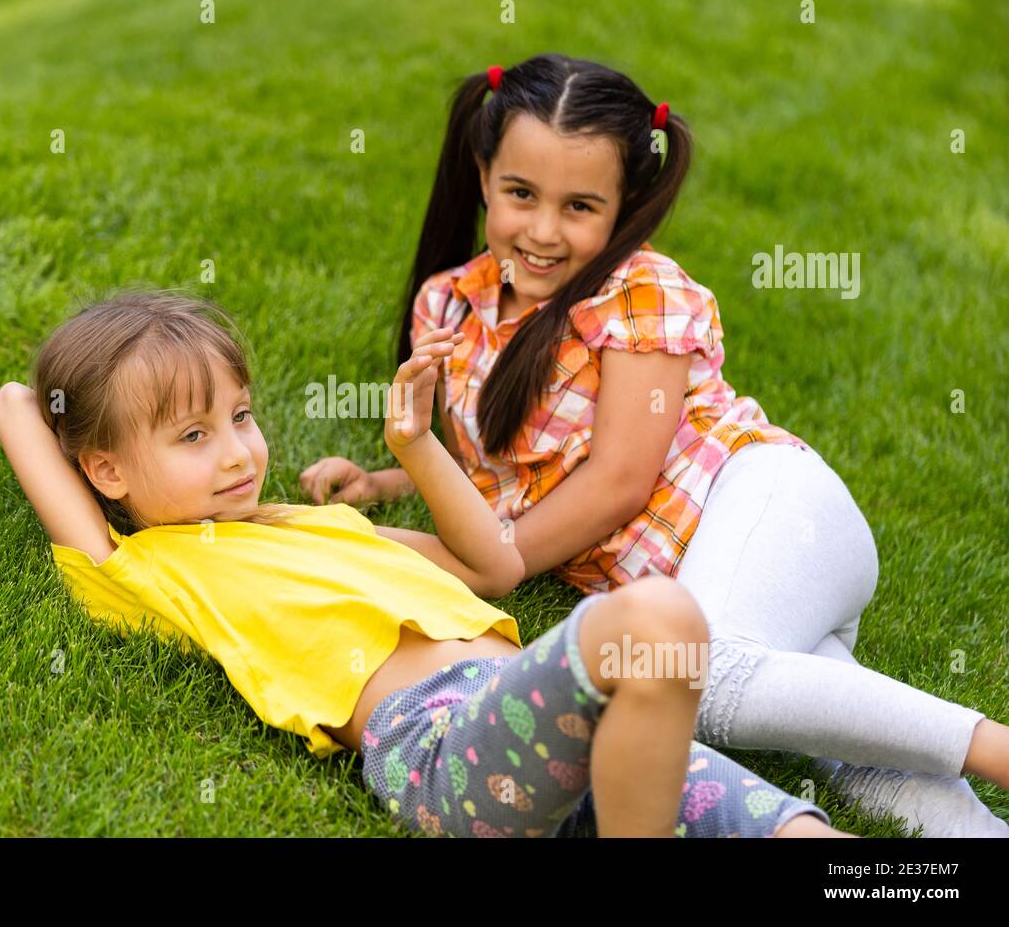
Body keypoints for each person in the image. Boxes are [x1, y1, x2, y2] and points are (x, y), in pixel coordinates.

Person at [301, 54, 1009, 837]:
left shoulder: (638, 293)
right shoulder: (450, 303)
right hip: (722, 592)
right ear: (482, 174)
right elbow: (496, 468)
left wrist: (497, 558)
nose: (541, 231)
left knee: (687, 678)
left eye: (579, 206)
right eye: (521, 194)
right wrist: (383, 481)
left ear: (627, 203)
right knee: (846, 751)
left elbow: (618, 480)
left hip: (764, 508)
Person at [0, 290, 846, 837]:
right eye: (192, 436)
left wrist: (418, 446)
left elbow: (492, 568)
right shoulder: (143, 567)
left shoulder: (319, 525)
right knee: (657, 622)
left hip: (564, 719)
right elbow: (17, 405)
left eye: (242, 416)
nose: (237, 454)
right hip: (441, 743)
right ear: (103, 471)